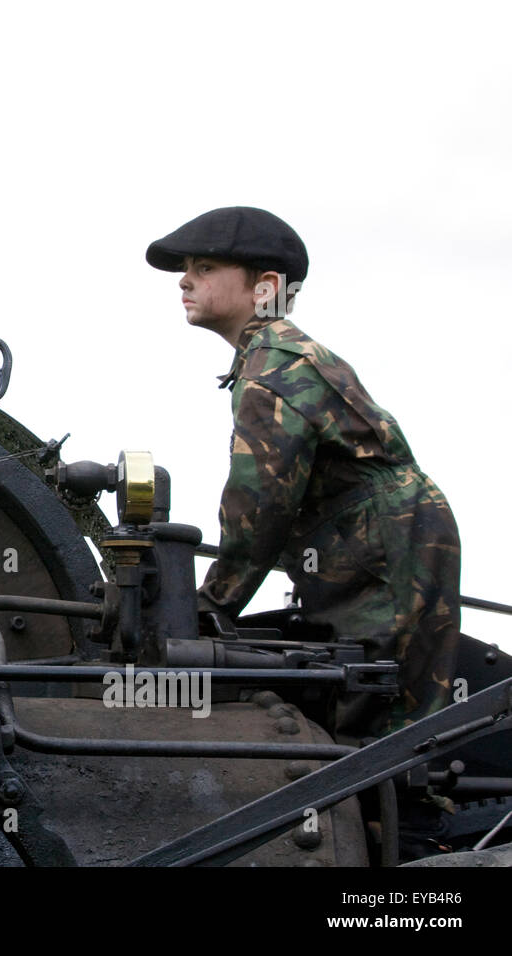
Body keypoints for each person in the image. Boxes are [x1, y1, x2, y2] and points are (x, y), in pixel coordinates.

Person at [145, 206, 461, 738]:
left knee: (380, 710)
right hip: (375, 540)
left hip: (384, 545)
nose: (184, 280)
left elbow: (261, 505)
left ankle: (407, 817)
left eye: (204, 268)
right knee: (370, 695)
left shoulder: (274, 369)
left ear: (265, 287)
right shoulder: (274, 359)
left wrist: (207, 607)